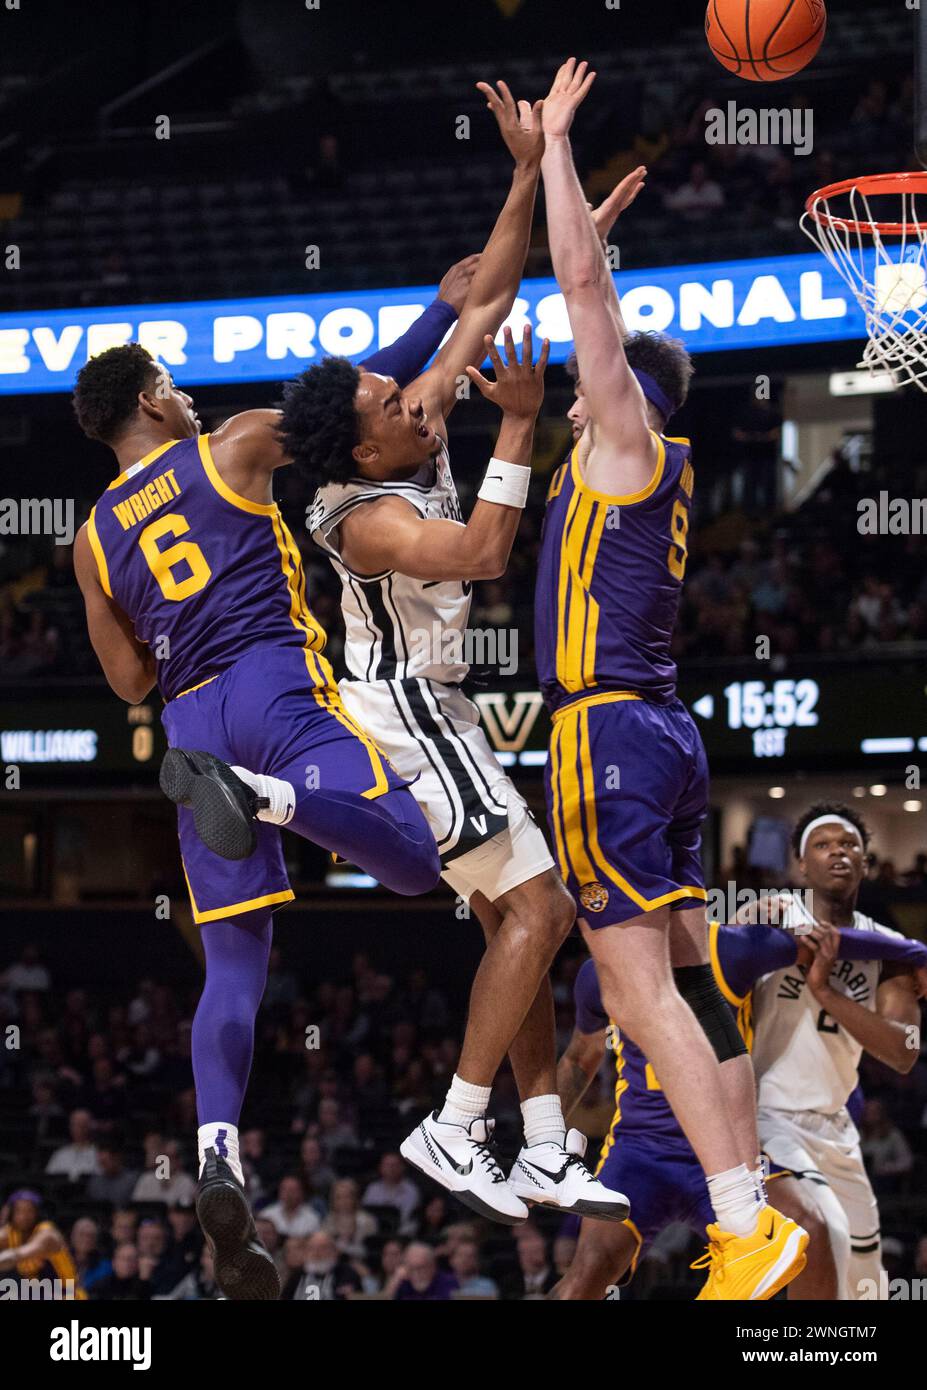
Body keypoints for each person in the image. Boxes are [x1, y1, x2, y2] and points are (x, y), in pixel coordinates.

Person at [70, 265, 477, 1297]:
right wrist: (438, 312)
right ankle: (273, 797)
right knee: (418, 862)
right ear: (156, 393)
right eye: (175, 382)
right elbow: (352, 399)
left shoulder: (87, 541)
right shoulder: (235, 443)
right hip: (271, 686)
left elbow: (126, 678)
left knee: (235, 968)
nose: (185, 393)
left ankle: (217, 1153)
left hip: (189, 719)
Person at [288, 78, 624, 1226]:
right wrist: (522, 423)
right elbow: (483, 553)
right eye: (392, 395)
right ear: (360, 439)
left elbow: (482, 300)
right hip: (402, 711)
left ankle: (539, 1146)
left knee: (513, 927)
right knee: (545, 910)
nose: (412, 386)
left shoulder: (413, 417)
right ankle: (454, 1121)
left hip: (444, 709)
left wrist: (533, 174)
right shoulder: (360, 514)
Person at [534, 56, 806, 1299]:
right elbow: (601, 313)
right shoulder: (642, 461)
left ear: (621, 397)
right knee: (693, 976)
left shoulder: (626, 443)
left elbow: (586, 299)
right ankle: (745, 1203)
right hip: (658, 734)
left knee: (637, 996)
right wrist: (590, 244)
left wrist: (553, 157)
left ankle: (746, 1224)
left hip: (609, 738)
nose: (574, 406)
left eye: (594, 391)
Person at [552, 917, 927, 1299]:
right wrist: (543, 1137)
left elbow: (832, 941)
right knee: (585, 1276)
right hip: (640, 1150)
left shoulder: (729, 948)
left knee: (812, 1230)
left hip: (726, 1151)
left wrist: (916, 953)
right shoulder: (599, 970)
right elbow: (580, 1057)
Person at [747, 803, 923, 1299]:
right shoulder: (769, 918)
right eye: (822, 845)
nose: (838, 853)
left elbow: (904, 1051)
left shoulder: (888, 946)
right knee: (823, 1237)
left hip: (835, 1125)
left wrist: (826, 993)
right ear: (801, 865)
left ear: (866, 862)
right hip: (767, 1117)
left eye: (849, 845)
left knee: (867, 1279)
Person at [0, 1189, 86, 1299]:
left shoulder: (48, 1234)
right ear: (11, 1214)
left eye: (29, 1211)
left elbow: (16, 1256)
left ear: (38, 1213)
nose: (23, 1217)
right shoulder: (12, 1233)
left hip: (67, 1294)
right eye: (18, 1211)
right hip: (37, 1293)